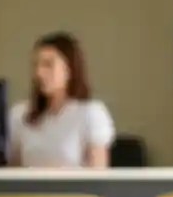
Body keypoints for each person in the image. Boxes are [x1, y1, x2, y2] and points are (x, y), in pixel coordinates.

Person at [7, 32, 114, 168]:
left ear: (69, 69)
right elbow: (11, 172)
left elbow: (99, 175)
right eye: (36, 65)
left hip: (73, 189)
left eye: (48, 65)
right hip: (30, 189)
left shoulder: (91, 113)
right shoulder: (19, 114)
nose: (39, 73)